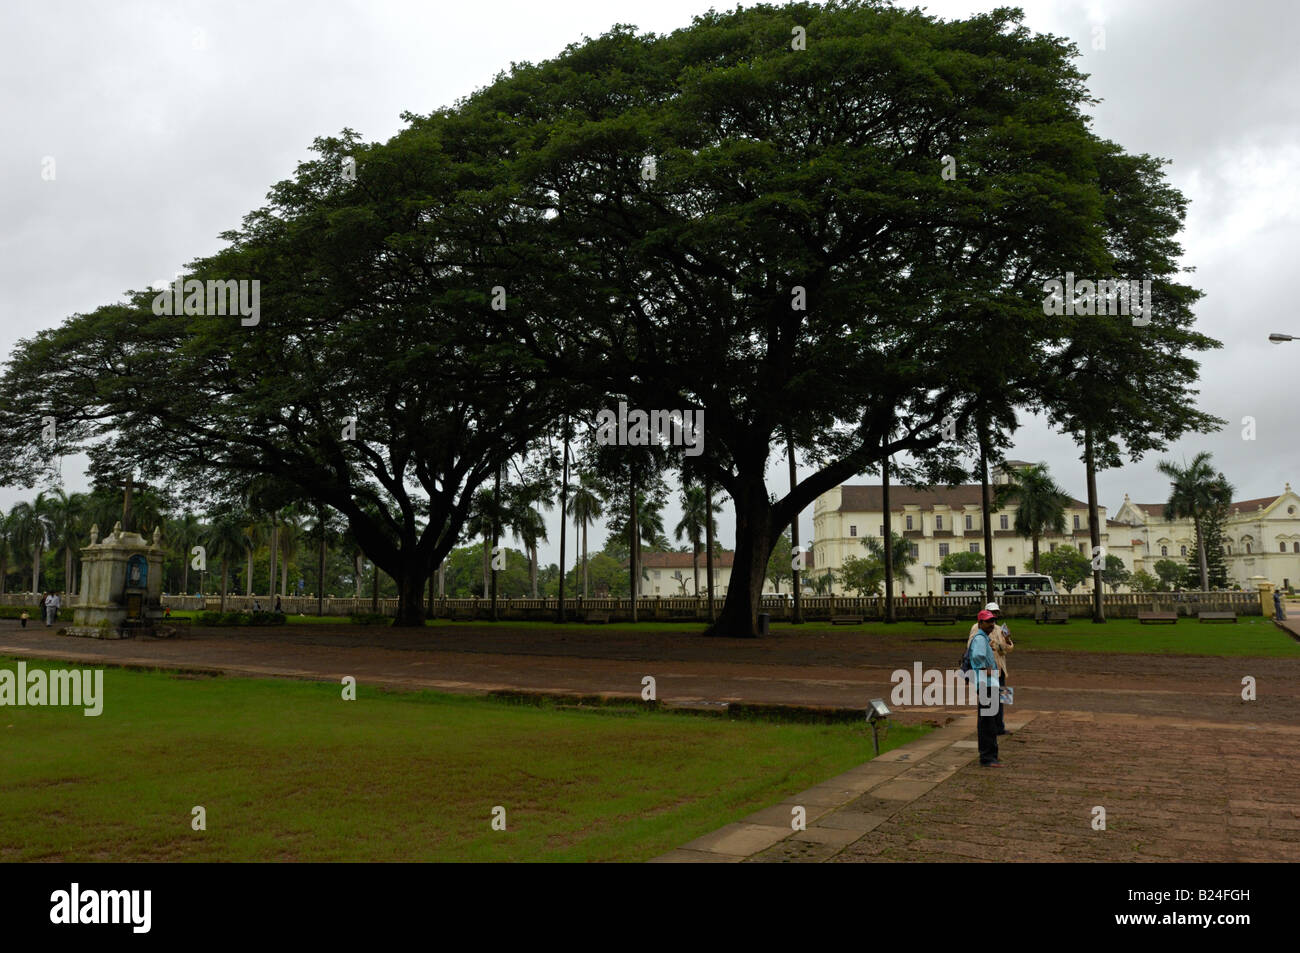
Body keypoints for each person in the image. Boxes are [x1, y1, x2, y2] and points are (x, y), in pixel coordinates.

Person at [969, 601, 1014, 735]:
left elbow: (1008, 649)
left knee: (1002, 699)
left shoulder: (1000, 629)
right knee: (987, 701)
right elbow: (972, 647)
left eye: (996, 614)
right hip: (986, 671)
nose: (994, 617)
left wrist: (1007, 639)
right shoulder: (977, 628)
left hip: (1000, 669)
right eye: (992, 613)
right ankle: (988, 728)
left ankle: (999, 727)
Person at [969, 610, 1002, 766]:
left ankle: (991, 754)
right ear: (980, 623)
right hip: (986, 684)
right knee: (987, 722)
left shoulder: (984, 639)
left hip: (988, 684)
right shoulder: (980, 638)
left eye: (993, 621)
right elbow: (977, 656)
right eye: (988, 621)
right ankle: (988, 757)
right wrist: (984, 669)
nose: (991, 624)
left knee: (989, 720)